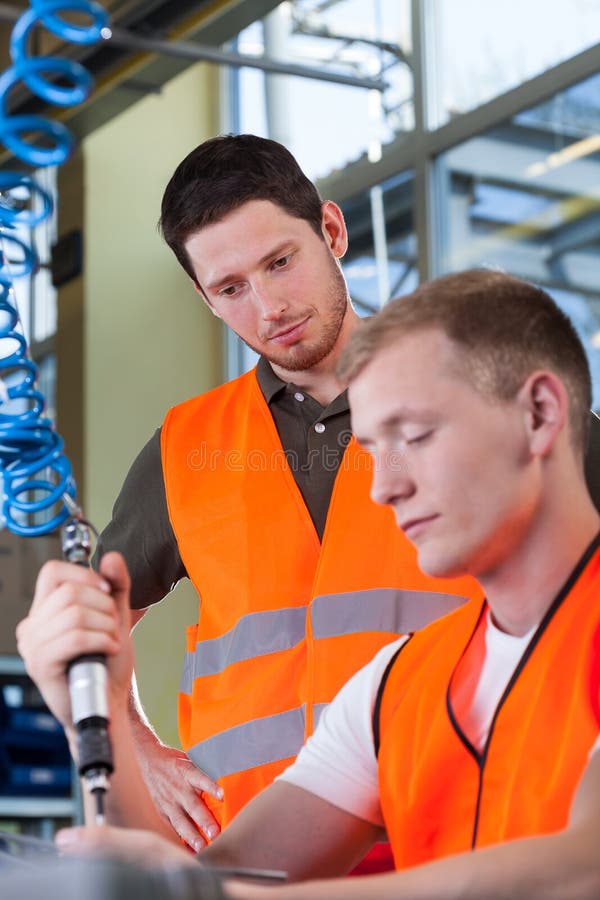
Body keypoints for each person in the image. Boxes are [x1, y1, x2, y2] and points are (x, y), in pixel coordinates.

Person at [17, 269, 600, 899]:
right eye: (374, 450)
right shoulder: (396, 687)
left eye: (418, 437)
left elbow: (581, 868)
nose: (384, 487)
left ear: (539, 414)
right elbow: (225, 875)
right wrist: (89, 710)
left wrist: (210, 895)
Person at [94, 134, 487, 855]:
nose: (270, 307)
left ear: (331, 231)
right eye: (232, 288)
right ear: (203, 297)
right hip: (254, 859)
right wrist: (138, 752)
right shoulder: (186, 448)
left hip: (455, 838)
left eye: (280, 263)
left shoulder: (475, 393)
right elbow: (90, 624)